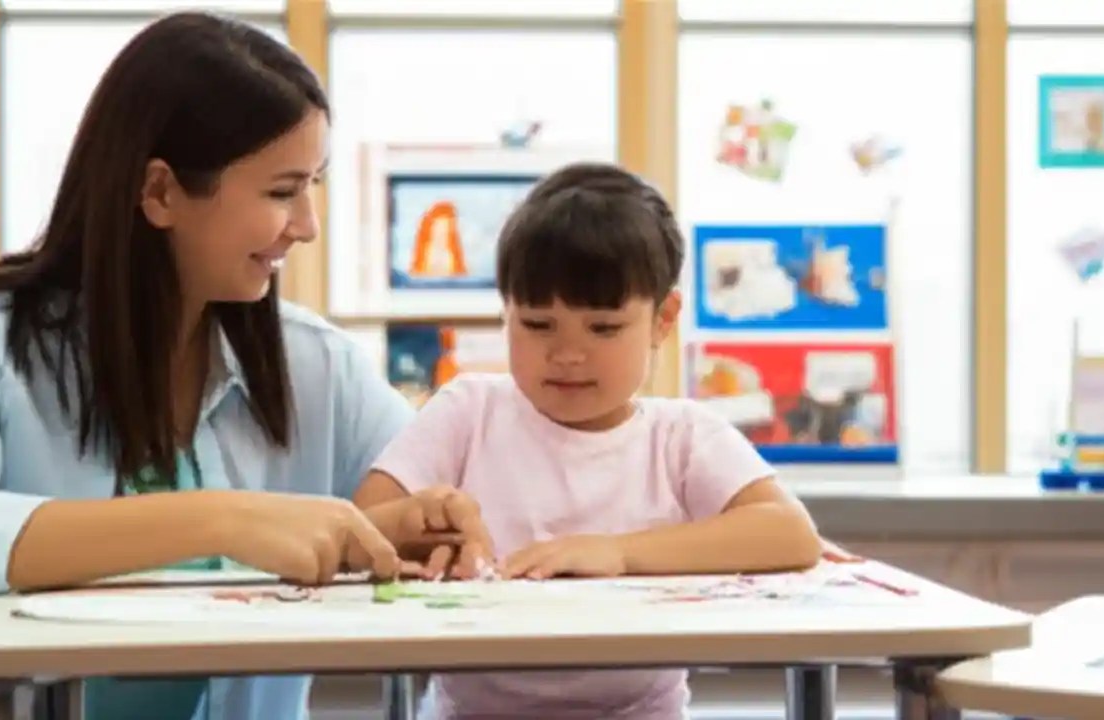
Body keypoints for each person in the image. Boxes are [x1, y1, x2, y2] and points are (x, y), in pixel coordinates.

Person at [0, 12, 488, 720]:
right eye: (283, 191)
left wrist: (423, 524)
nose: (307, 225)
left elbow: (413, 503)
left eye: (311, 185)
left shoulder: (319, 366)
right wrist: (215, 521)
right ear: (160, 192)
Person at [353, 162, 824, 719]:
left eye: (603, 328)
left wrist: (619, 552)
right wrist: (415, 521)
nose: (568, 354)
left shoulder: (681, 436)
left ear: (663, 320)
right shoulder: (469, 410)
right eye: (537, 324)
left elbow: (790, 534)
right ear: (505, 311)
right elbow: (359, 527)